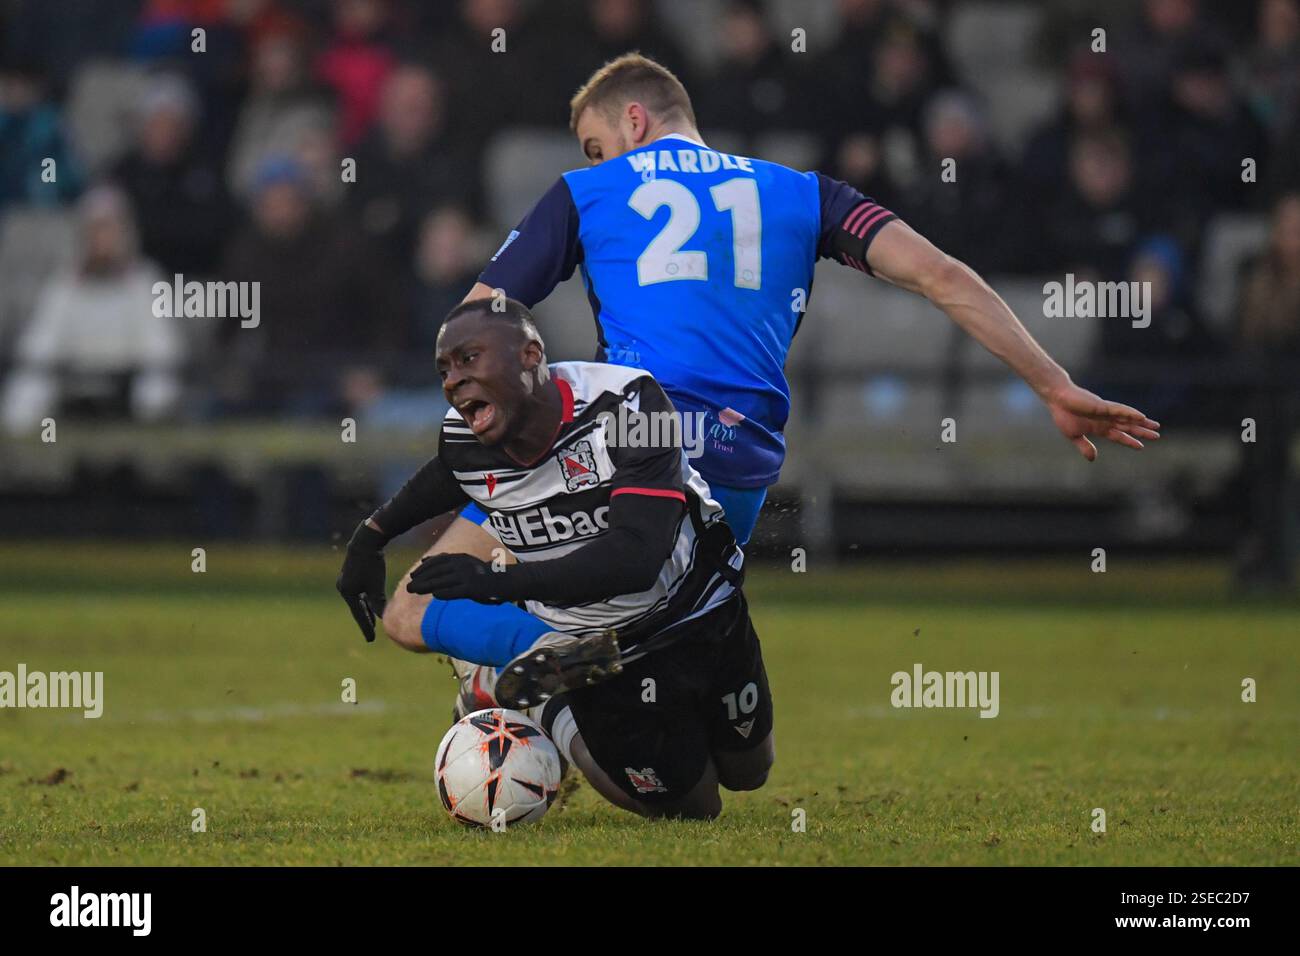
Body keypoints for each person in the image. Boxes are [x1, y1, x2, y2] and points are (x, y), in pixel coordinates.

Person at [337, 298, 771, 820]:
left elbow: (636, 558)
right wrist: (369, 538)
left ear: (530, 355)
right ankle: (551, 703)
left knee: (750, 771)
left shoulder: (630, 404)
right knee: (694, 809)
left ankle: (511, 686)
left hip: (700, 611)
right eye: (444, 370)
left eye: (468, 359)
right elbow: (444, 474)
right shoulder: (465, 438)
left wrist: (495, 582)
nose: (452, 380)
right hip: (598, 654)